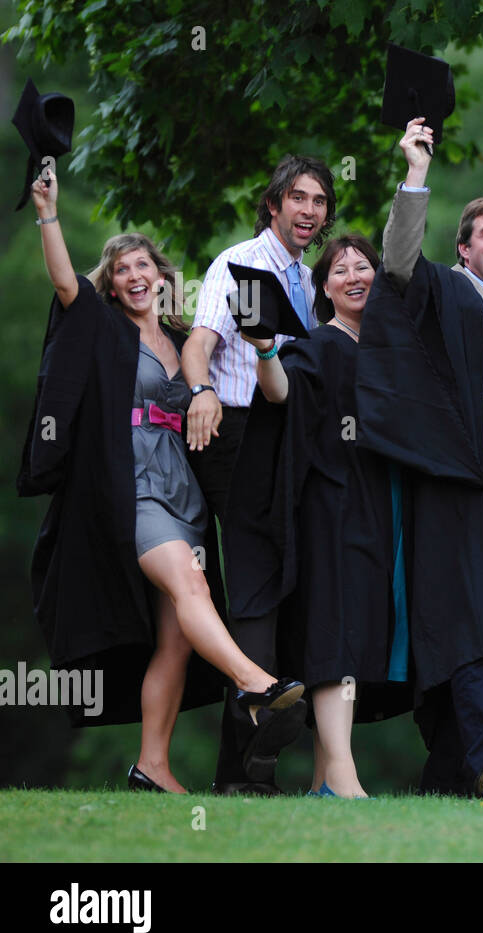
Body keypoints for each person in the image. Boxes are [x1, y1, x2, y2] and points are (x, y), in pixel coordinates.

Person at [20, 170, 304, 793]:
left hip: (186, 489)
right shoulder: (102, 329)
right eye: (121, 270)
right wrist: (48, 211)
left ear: (161, 275)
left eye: (142, 264)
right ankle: (256, 686)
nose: (133, 275)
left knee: (175, 638)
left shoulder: (181, 338)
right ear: (113, 286)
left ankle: (152, 766)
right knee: (192, 585)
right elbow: (66, 281)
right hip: (133, 484)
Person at [356, 117, 483, 798]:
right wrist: (416, 174)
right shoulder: (446, 292)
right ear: (462, 247)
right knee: (471, 619)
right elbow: (397, 262)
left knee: (476, 622)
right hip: (448, 484)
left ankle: (446, 780)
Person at [225, 235, 412, 799]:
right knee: (336, 634)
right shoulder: (319, 344)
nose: (355, 276)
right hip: (332, 507)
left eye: (365, 267)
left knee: (354, 636)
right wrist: (262, 348)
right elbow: (280, 392)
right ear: (324, 288)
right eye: (341, 270)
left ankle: (321, 781)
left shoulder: (387, 346)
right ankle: (343, 777)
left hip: (378, 507)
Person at [182, 154, 336, 795]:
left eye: (319, 200)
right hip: (239, 437)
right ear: (273, 205)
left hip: (296, 443)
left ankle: (245, 775)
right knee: (254, 592)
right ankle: (245, 767)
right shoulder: (243, 266)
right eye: (297, 198)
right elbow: (202, 343)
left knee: (286, 590)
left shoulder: (309, 278)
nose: (308, 210)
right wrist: (199, 391)